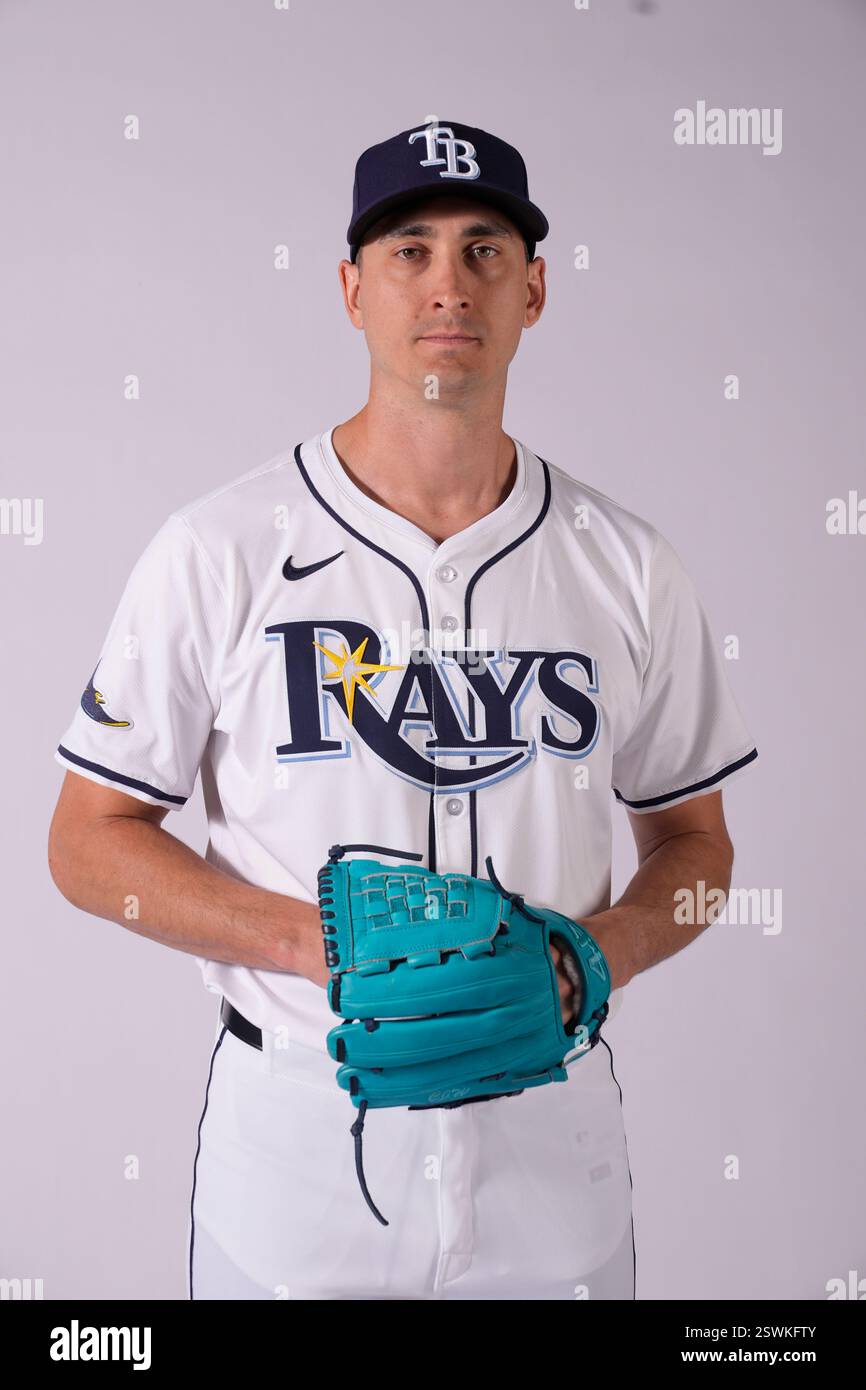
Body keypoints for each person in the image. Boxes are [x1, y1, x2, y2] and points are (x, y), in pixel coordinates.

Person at [48, 119, 758, 1300]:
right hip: (294, 1148)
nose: (446, 283)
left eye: (484, 250)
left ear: (533, 290)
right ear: (349, 288)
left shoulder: (628, 564)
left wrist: (600, 950)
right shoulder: (218, 548)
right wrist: (308, 943)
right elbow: (83, 844)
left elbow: (696, 851)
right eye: (407, 248)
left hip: (551, 1140)